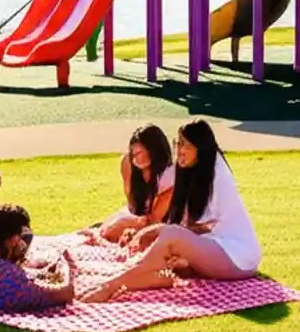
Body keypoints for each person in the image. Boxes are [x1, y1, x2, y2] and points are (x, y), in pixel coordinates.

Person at [79, 119, 261, 303]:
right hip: (213, 245)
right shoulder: (187, 169)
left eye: (184, 145)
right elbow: (181, 220)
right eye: (177, 143)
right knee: (163, 245)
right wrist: (148, 233)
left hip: (237, 255)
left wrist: (154, 231)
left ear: (200, 147)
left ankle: (111, 286)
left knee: (170, 236)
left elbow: (203, 226)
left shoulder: (216, 173)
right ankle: (156, 276)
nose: (179, 150)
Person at [0, 204, 77, 313]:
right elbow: (67, 293)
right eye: (24, 236)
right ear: (12, 240)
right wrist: (69, 267)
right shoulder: (11, 279)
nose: (26, 243)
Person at [91, 124, 176, 244]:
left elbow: (154, 220)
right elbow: (133, 206)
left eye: (139, 152)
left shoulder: (169, 177)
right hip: (137, 218)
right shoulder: (129, 166)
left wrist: (130, 224)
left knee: (114, 228)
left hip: (157, 225)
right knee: (107, 228)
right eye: (133, 153)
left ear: (153, 150)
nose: (134, 157)